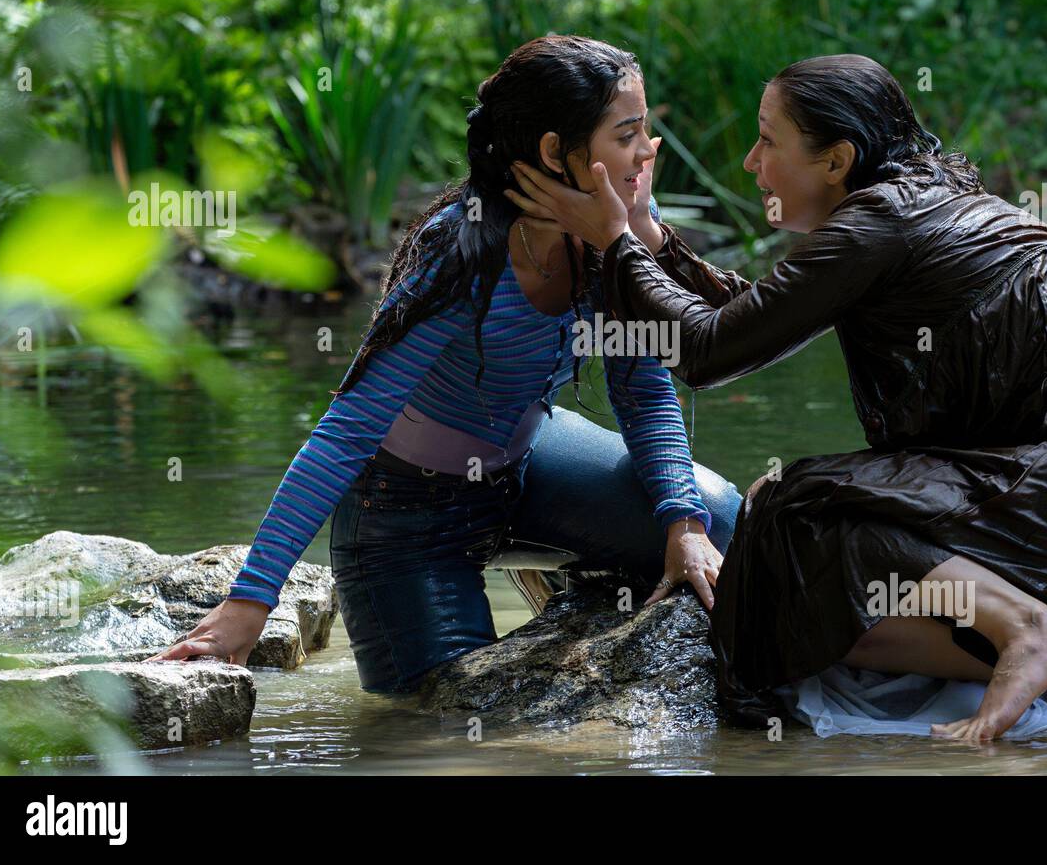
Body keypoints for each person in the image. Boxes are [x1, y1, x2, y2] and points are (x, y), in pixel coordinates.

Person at [504, 53, 1047, 740]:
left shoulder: (879, 224)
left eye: (769, 140)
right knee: (791, 546)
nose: (750, 163)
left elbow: (703, 351)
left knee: (793, 509)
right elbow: (744, 320)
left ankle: (1041, 638)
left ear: (836, 158)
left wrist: (618, 246)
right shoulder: (914, 204)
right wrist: (650, 240)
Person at [145, 35, 741, 693]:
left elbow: (644, 391)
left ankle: (575, 588)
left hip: (527, 467)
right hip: (404, 514)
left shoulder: (617, 226)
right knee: (455, 720)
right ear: (553, 152)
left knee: (723, 523)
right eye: (627, 134)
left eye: (646, 132)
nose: (646, 155)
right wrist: (250, 602)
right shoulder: (460, 250)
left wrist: (681, 526)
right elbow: (348, 430)